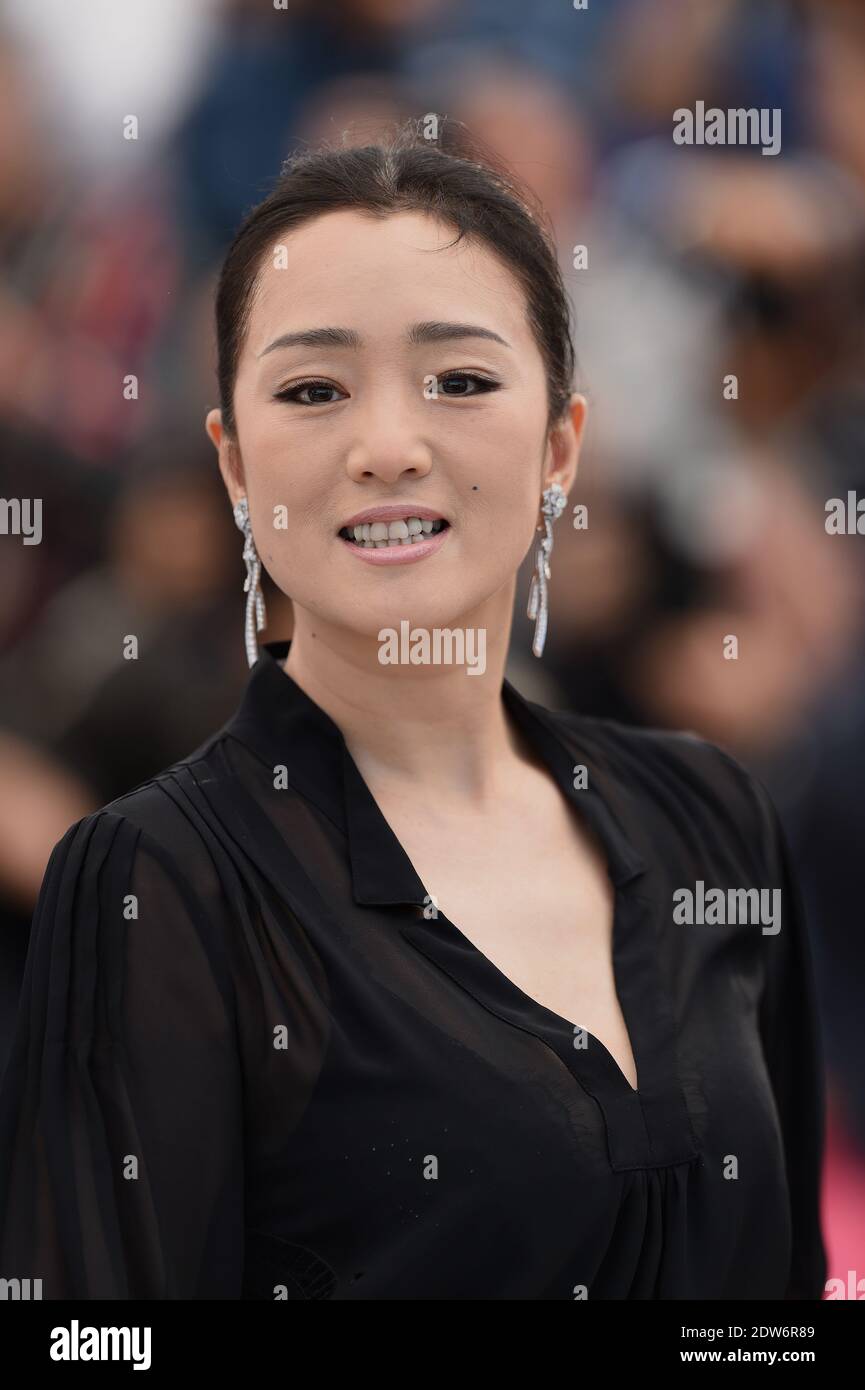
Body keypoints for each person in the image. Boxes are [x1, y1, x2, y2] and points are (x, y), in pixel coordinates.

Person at [0, 120, 827, 1299]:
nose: (388, 444)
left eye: (461, 379)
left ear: (560, 443)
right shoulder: (159, 880)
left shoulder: (711, 813)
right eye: (314, 388)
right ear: (234, 466)